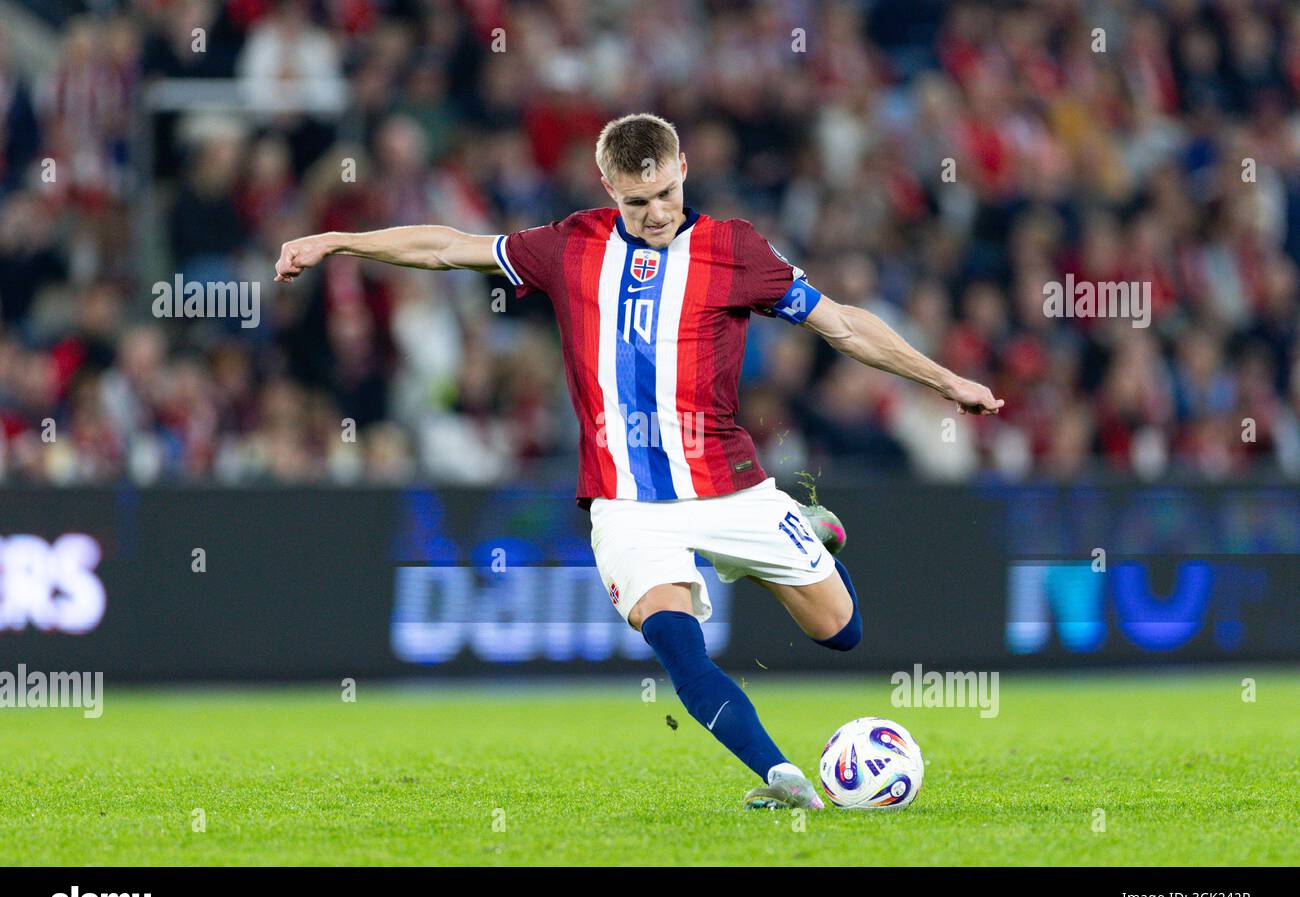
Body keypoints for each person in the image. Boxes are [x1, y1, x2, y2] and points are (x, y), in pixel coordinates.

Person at [275, 113, 1003, 809]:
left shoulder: (736, 248)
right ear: (608, 190)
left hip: (730, 487)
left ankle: (805, 533)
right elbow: (446, 247)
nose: (656, 213)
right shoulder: (569, 246)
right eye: (637, 201)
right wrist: (338, 239)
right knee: (680, 648)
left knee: (842, 632)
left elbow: (842, 324)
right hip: (623, 503)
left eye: (666, 194)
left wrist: (947, 382)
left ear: (684, 169)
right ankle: (781, 774)